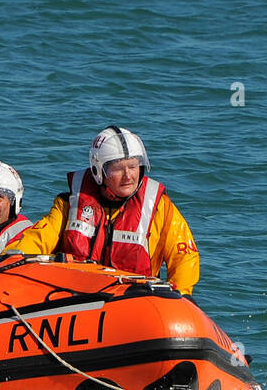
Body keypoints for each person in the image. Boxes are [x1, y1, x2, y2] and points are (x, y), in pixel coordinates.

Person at [13, 126, 200, 294]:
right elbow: (40, 237)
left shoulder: (159, 207)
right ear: (98, 170)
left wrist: (181, 294)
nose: (128, 175)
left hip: (134, 301)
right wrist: (12, 257)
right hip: (73, 296)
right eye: (118, 169)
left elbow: (184, 255)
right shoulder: (70, 203)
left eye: (133, 166)